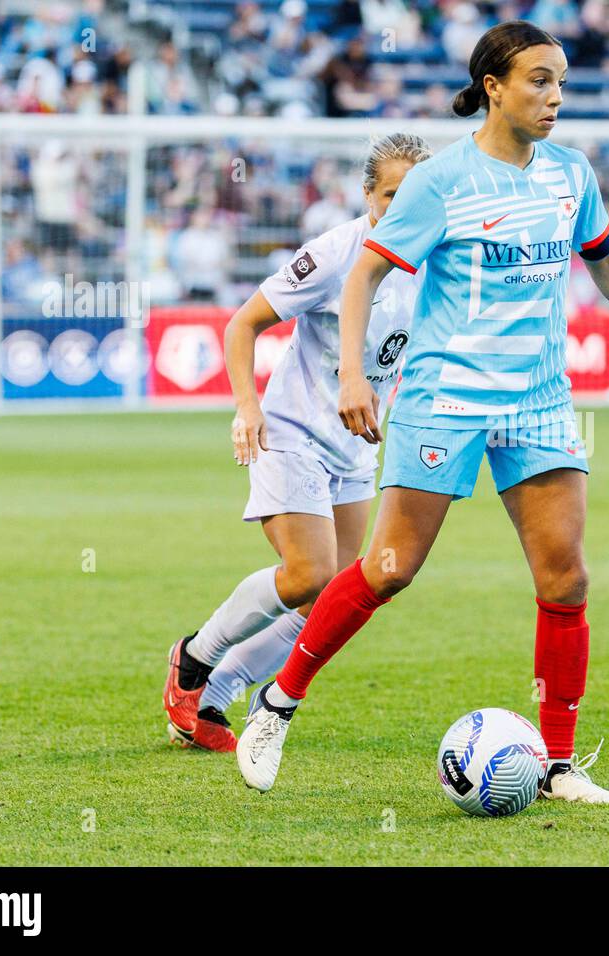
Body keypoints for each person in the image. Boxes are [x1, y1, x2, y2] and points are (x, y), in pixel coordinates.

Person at [235, 20, 609, 803]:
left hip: (536, 401)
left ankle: (559, 765)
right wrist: (353, 373)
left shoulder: (570, 172)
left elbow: (605, 261)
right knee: (390, 569)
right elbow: (362, 276)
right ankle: (278, 701)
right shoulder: (441, 182)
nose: (554, 95)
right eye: (538, 79)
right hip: (444, 399)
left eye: (560, 81)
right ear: (493, 87)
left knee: (566, 579)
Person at [162, 133, 431, 750]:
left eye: (415, 196)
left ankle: (216, 697)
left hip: (356, 448)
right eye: (391, 194)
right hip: (293, 434)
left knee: (331, 598)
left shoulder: (432, 261)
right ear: (368, 194)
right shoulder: (337, 254)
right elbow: (243, 323)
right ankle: (194, 657)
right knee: (310, 573)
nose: (402, 207)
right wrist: (246, 407)